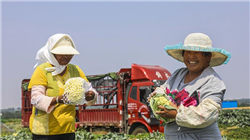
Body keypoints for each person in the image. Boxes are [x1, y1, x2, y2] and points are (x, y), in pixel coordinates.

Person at [148, 33, 231, 140]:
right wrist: (156, 96)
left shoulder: (213, 82)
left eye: (197, 52)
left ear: (208, 57)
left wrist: (176, 113)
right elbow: (163, 89)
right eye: (188, 52)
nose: (191, 56)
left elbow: (207, 115)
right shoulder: (178, 74)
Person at [28, 33, 97, 140]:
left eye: (69, 54)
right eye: (61, 53)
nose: (66, 57)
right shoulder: (42, 70)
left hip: (67, 129)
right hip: (45, 131)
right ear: (52, 53)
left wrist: (91, 95)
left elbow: (89, 89)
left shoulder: (75, 70)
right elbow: (36, 99)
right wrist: (57, 100)